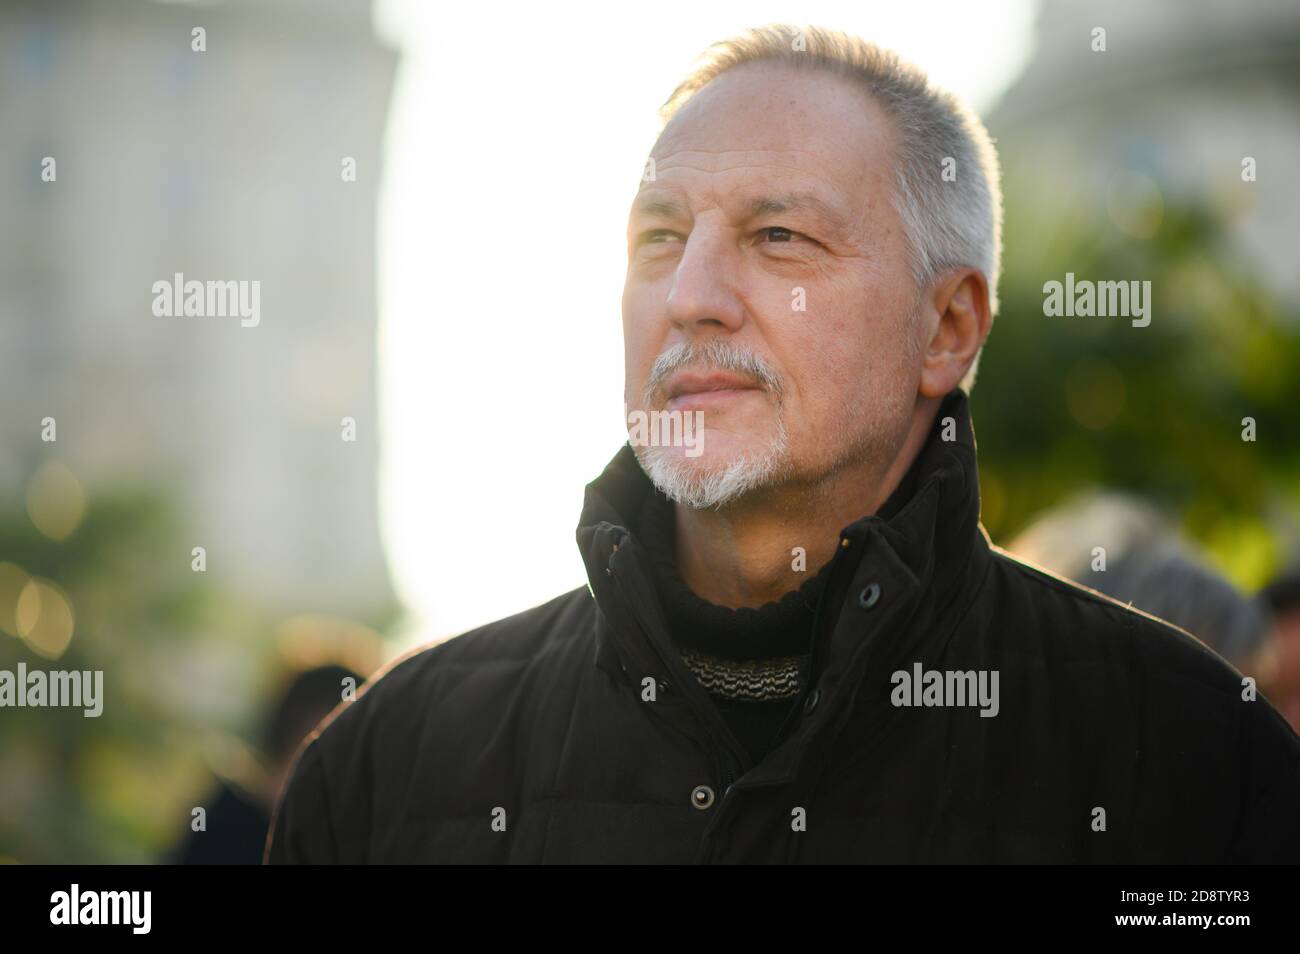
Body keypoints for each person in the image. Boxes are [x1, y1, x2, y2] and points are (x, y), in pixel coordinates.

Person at [267, 24, 1300, 863]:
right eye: (658, 240)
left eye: (778, 239)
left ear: (946, 328)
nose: (691, 298)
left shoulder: (1190, 760)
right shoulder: (385, 774)